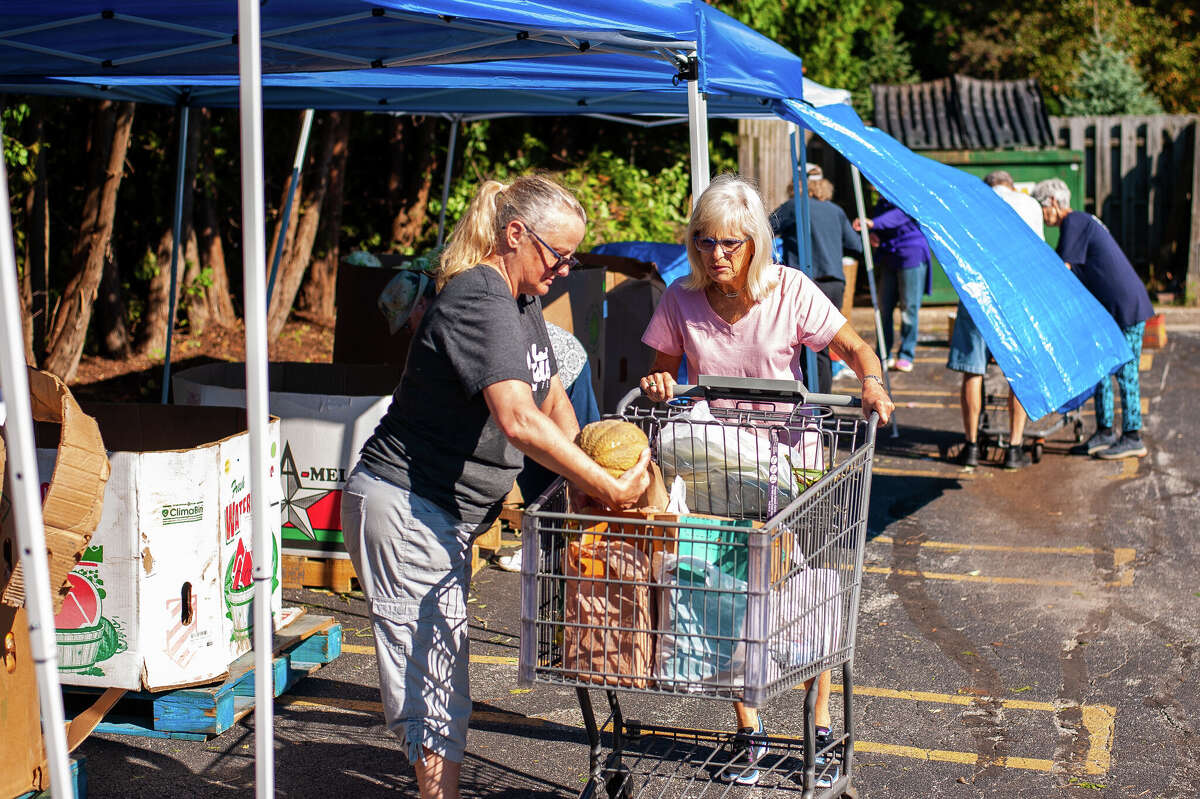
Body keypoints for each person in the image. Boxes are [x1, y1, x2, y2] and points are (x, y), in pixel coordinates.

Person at [342, 175, 651, 799]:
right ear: (515, 234)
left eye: (573, 258)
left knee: (436, 667)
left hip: (442, 515)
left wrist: (584, 471)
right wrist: (608, 489)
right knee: (432, 674)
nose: (565, 269)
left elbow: (552, 393)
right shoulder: (477, 296)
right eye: (558, 254)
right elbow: (517, 416)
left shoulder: (522, 300)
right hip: (405, 505)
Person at [639, 174, 895, 787]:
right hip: (715, 463)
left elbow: (858, 350)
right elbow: (660, 376)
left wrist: (872, 382)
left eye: (729, 243)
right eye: (703, 241)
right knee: (727, 593)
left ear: (756, 243)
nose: (715, 255)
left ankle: (820, 718)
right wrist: (659, 385)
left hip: (789, 462)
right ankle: (748, 731)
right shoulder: (680, 298)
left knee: (801, 590)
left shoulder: (790, 292)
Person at [1032, 177, 1153, 459]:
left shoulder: (1074, 222)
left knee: (1125, 371)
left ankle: (1133, 436)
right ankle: (1105, 431)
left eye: (1041, 207)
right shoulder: (1079, 224)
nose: (1041, 213)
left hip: (1126, 308)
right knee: (1100, 369)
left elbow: (1061, 271)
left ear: (1052, 202)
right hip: (1109, 310)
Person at [948, 171, 1043, 469]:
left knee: (972, 371)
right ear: (1011, 185)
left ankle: (972, 446)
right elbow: (1038, 255)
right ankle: (1014, 449)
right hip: (1018, 296)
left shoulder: (971, 202)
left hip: (977, 293)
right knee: (1019, 372)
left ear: (987, 186)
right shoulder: (1030, 205)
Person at [495, 321, 601, 572]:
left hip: (564, 365)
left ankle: (580, 547)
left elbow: (536, 417)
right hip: (536, 375)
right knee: (538, 466)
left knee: (581, 455)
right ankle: (548, 547)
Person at [771, 174, 863, 393]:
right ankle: (824, 405)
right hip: (834, 282)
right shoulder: (836, 211)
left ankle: (809, 402)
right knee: (824, 345)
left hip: (806, 284)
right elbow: (856, 245)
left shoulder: (793, 207)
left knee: (799, 344)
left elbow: (761, 230)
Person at [851, 196, 931, 372]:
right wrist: (874, 234)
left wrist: (872, 223)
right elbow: (881, 226)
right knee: (883, 308)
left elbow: (900, 215)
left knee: (909, 309)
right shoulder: (881, 203)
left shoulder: (903, 193)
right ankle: (883, 354)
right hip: (889, 257)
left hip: (911, 255)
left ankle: (906, 354)